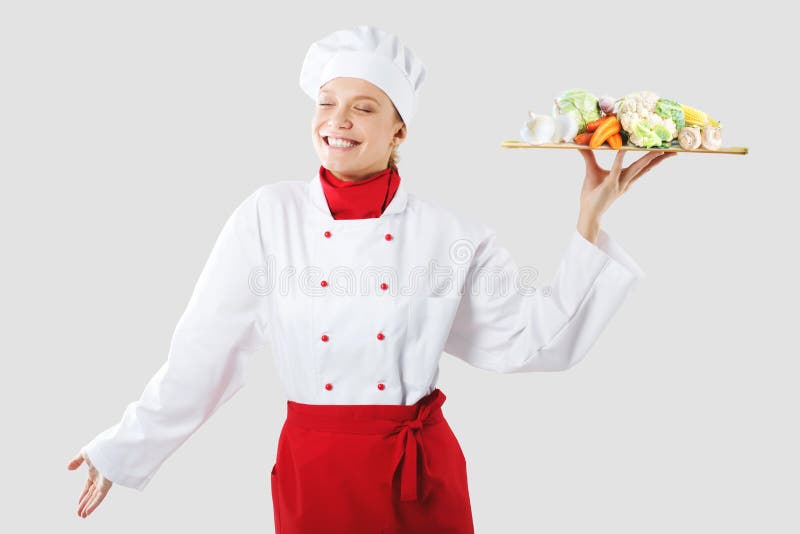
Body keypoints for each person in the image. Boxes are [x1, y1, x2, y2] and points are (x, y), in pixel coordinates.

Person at [68, 25, 677, 531]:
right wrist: (124, 448)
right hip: (316, 472)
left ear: (398, 130)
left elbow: (530, 342)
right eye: (327, 104)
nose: (339, 121)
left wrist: (588, 220)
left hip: (419, 477)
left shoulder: (450, 232)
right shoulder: (267, 215)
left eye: (364, 108)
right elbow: (204, 350)